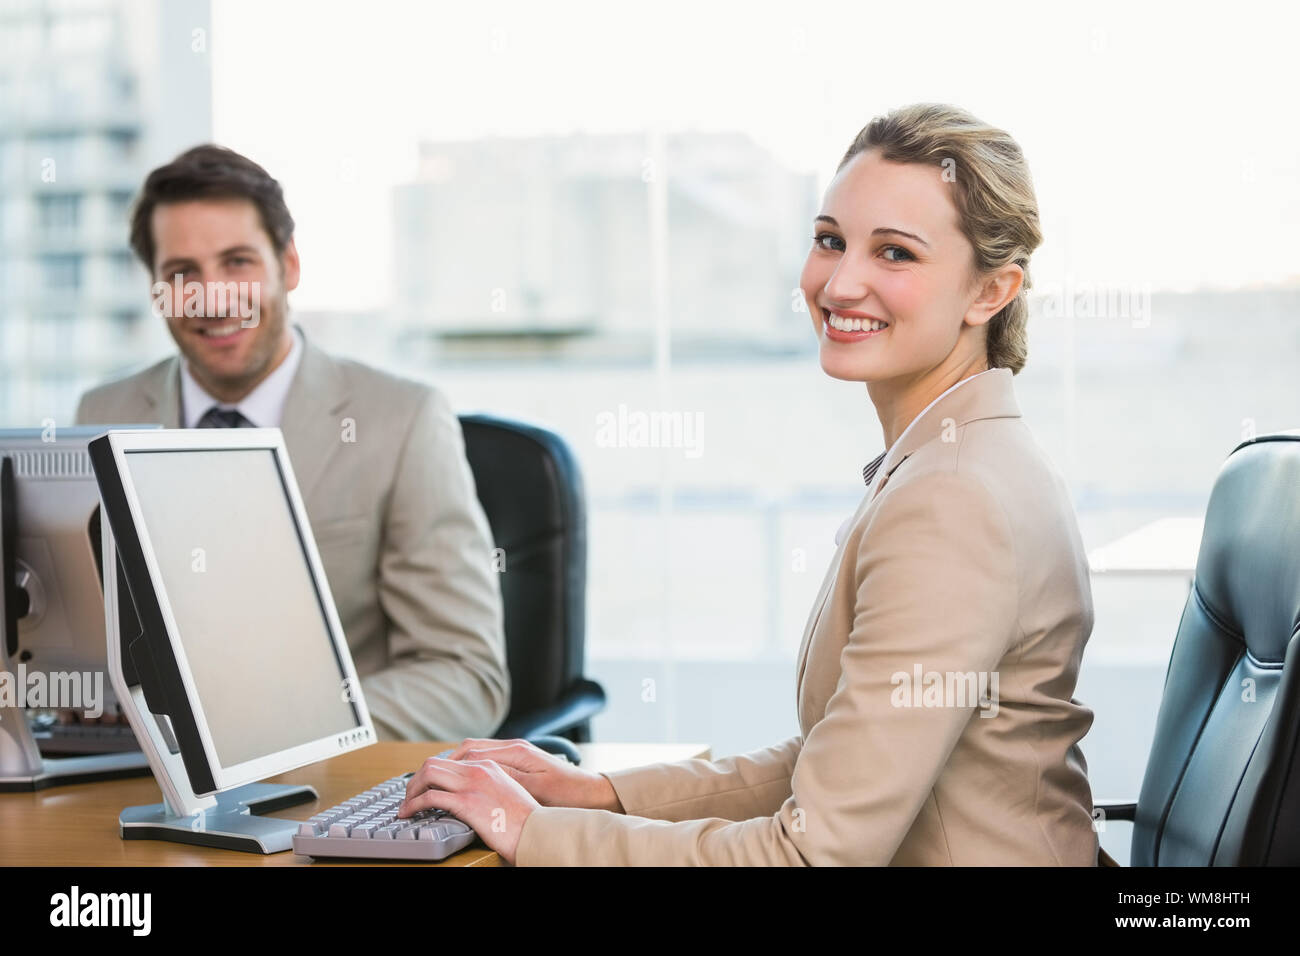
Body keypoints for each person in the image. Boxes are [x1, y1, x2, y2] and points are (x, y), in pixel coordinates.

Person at [398, 103, 1100, 865]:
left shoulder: (952, 499)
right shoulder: (964, 458)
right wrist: (596, 792)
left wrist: (532, 833)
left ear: (990, 291)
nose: (840, 282)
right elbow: (829, 765)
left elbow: (810, 854)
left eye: (894, 254)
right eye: (830, 241)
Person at [75, 145, 510, 743]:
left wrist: (263, 730)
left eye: (237, 262)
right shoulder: (104, 416)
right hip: (137, 782)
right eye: (182, 274)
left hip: (328, 793)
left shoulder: (402, 422)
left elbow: (466, 677)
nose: (214, 297)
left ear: (290, 265)